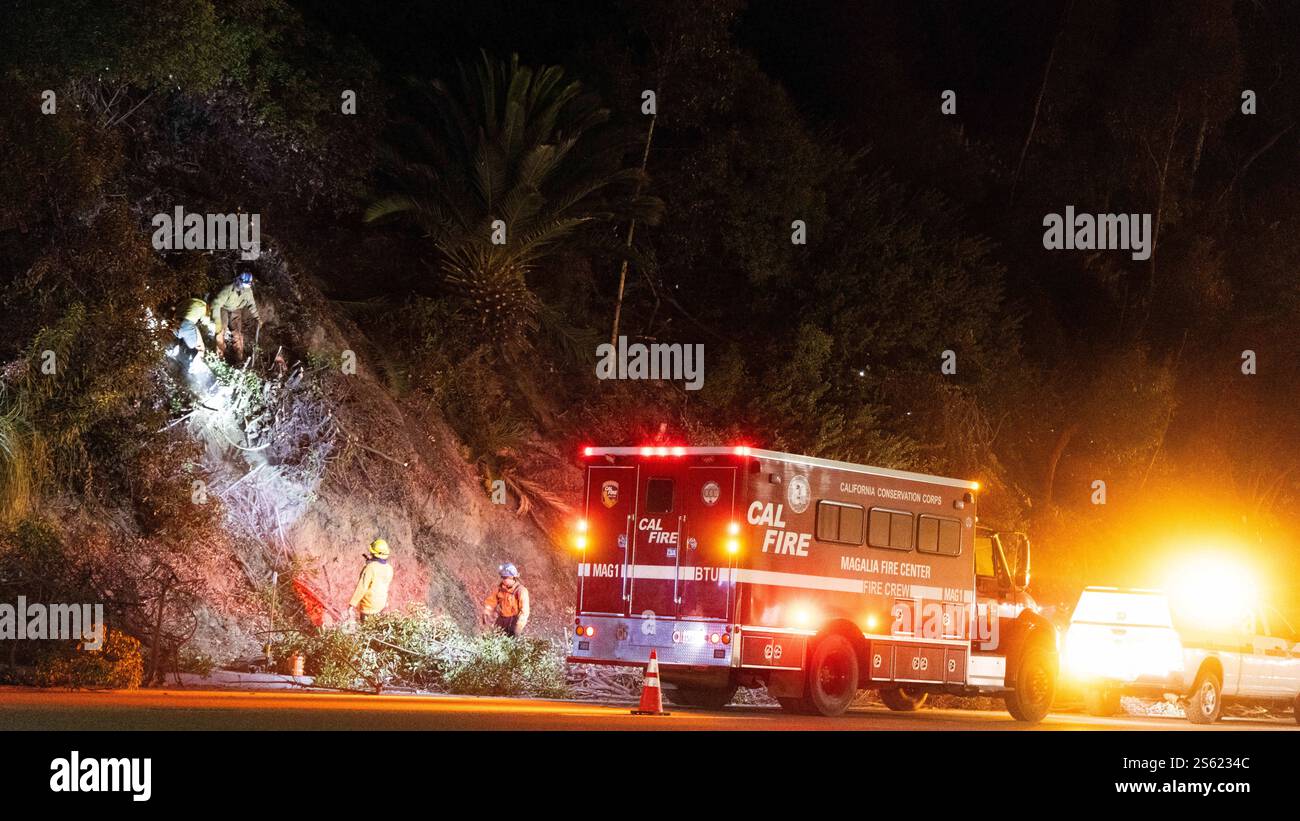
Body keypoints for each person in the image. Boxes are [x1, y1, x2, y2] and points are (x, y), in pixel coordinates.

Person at [211, 265, 261, 364]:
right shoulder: (228, 289)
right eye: (243, 284)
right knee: (220, 330)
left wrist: (257, 318)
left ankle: (239, 359)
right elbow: (216, 304)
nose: (245, 287)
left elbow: (252, 304)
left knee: (237, 333)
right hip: (223, 308)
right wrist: (217, 321)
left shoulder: (248, 291)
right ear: (238, 280)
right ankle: (219, 356)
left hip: (236, 309)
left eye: (247, 285)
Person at [346, 538, 393, 624]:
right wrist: (371, 562)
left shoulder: (370, 568)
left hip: (368, 607)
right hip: (381, 605)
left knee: (365, 629)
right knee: (375, 629)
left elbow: (362, 587)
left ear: (374, 553)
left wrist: (352, 604)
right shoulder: (389, 568)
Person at [482, 563, 530, 637]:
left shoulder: (520, 591)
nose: (503, 579)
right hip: (501, 620)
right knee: (495, 640)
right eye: (502, 577)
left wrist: (518, 627)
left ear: (512, 577)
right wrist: (486, 611)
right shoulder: (500, 589)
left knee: (510, 644)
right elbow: (491, 601)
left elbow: (524, 611)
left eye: (505, 577)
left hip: (513, 621)